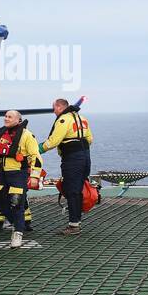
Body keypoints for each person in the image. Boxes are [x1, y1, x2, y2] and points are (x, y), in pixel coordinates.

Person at [0, 110, 42, 248]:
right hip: (2, 173)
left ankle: (17, 233)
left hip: (18, 174)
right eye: (5, 116)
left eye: (9, 117)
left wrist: (35, 175)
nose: (6, 118)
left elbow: (36, 157)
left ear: (18, 120)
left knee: (16, 203)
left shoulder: (27, 136)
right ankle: (18, 223)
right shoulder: (2, 134)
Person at [40, 98, 93, 236]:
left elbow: (53, 141)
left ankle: (74, 226)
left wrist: (38, 149)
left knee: (71, 190)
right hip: (85, 157)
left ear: (59, 107)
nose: (53, 111)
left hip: (73, 159)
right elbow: (90, 139)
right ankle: (77, 222)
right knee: (78, 189)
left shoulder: (63, 120)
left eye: (54, 108)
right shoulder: (82, 118)